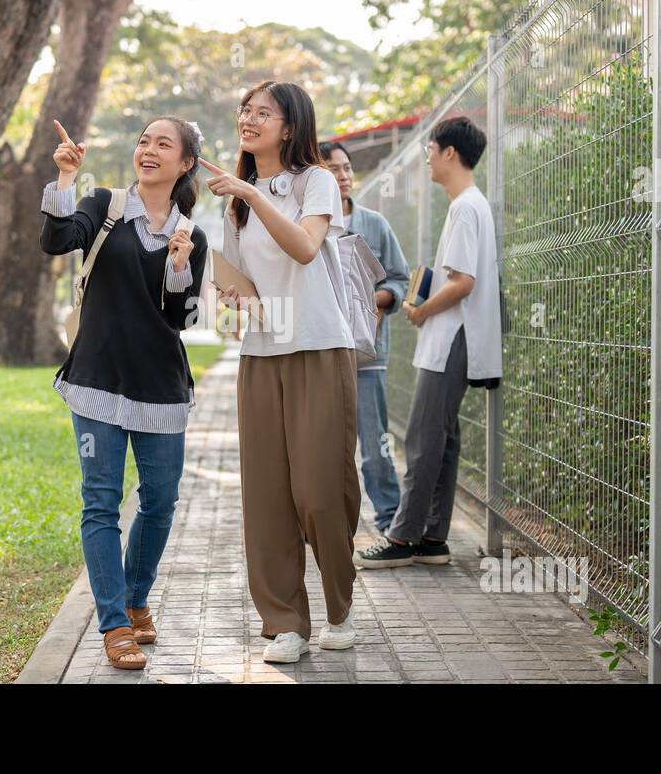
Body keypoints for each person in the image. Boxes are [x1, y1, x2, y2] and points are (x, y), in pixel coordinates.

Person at [39, 116, 209, 669]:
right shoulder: (103, 204)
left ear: (185, 163)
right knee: (101, 501)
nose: (149, 150)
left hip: (160, 385)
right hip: (97, 381)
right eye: (143, 140)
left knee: (161, 501)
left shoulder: (192, 234)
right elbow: (57, 240)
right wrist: (65, 179)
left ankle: (137, 600)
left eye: (164, 143)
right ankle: (114, 624)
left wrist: (179, 268)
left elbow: (181, 318)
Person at [203, 80, 360, 664]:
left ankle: (340, 607)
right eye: (245, 109)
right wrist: (229, 296)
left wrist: (252, 190)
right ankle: (285, 622)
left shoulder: (315, 180)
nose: (248, 118)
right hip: (261, 356)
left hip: (319, 346)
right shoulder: (234, 202)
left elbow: (304, 248)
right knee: (267, 495)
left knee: (320, 489)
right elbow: (236, 284)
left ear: (289, 127)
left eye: (262, 112)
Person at [354, 116, 503, 569]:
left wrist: (418, 310)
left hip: (453, 338)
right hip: (459, 338)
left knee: (422, 438)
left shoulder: (464, 207)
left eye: (431, 149)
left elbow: (462, 283)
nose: (426, 158)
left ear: (449, 153)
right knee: (442, 437)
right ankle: (433, 537)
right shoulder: (471, 204)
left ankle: (402, 539)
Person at [319, 140, 409, 534]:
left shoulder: (375, 225)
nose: (342, 176)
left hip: (367, 356)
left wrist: (377, 297)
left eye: (346, 168)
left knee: (375, 445)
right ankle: (326, 522)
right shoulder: (312, 226)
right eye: (332, 169)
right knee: (323, 444)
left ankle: (390, 518)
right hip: (320, 354)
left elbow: (399, 277)